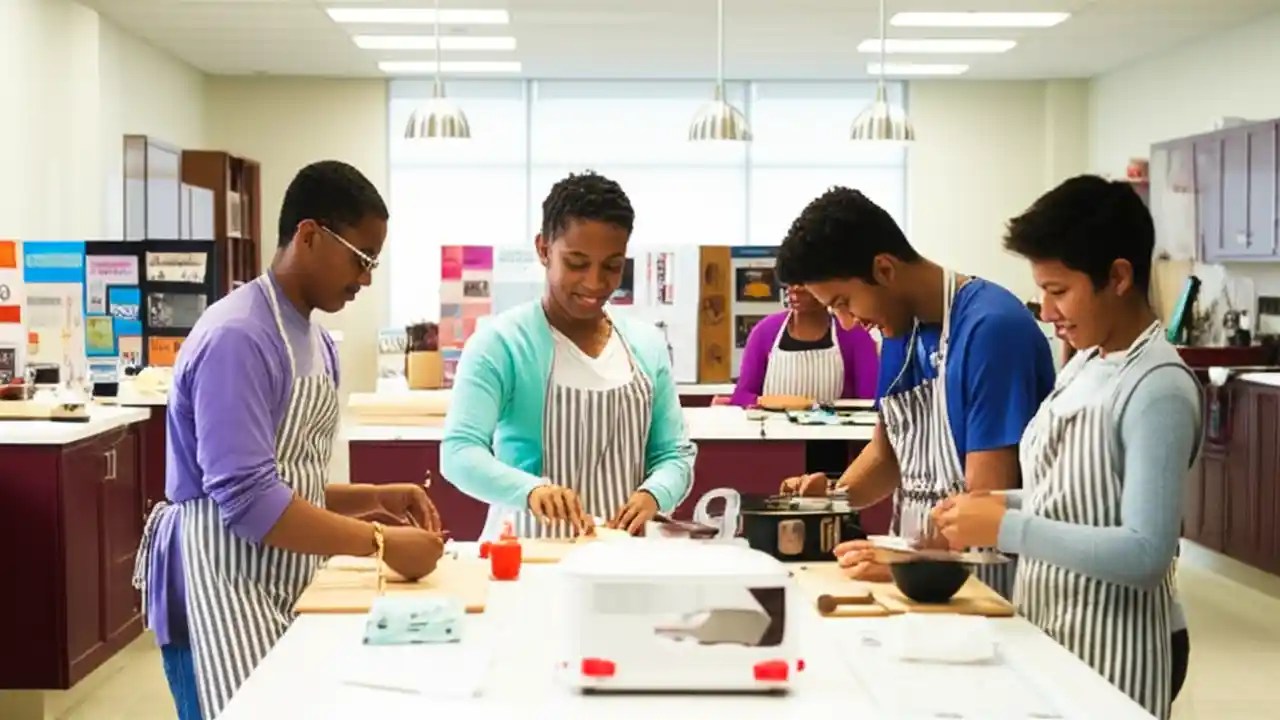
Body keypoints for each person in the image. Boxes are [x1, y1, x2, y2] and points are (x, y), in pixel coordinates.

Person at [132, 161, 445, 720]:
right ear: (309, 235)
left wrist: (377, 493)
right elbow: (250, 502)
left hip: (280, 577)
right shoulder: (238, 338)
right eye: (362, 259)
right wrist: (379, 542)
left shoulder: (316, 340)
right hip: (219, 584)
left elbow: (288, 480)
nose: (367, 278)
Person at [932, 175, 1201, 719]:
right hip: (1051, 633)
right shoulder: (1085, 363)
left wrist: (1007, 527)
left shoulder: (1158, 387)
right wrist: (991, 507)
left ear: (1118, 276)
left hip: (1113, 660)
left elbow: (1146, 552)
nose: (1049, 312)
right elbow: (1072, 497)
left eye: (1059, 291)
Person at [774, 187, 1055, 599]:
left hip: (985, 590)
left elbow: (985, 499)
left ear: (884, 269)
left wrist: (902, 560)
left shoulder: (990, 329)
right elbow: (888, 456)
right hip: (919, 584)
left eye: (844, 302)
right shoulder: (896, 329)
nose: (847, 323)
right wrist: (833, 499)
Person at [441, 171, 696, 539]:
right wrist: (530, 490)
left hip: (622, 556)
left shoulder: (645, 346)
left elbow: (675, 455)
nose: (594, 283)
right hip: (527, 556)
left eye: (611, 266)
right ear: (543, 249)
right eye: (577, 263)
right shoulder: (502, 343)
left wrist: (654, 494)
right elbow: (459, 454)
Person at [728, 284, 879, 408]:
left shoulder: (853, 335)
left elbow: (870, 399)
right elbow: (742, 394)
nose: (795, 288)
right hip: (774, 438)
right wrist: (760, 403)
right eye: (791, 281)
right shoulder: (765, 331)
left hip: (835, 439)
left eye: (804, 281)